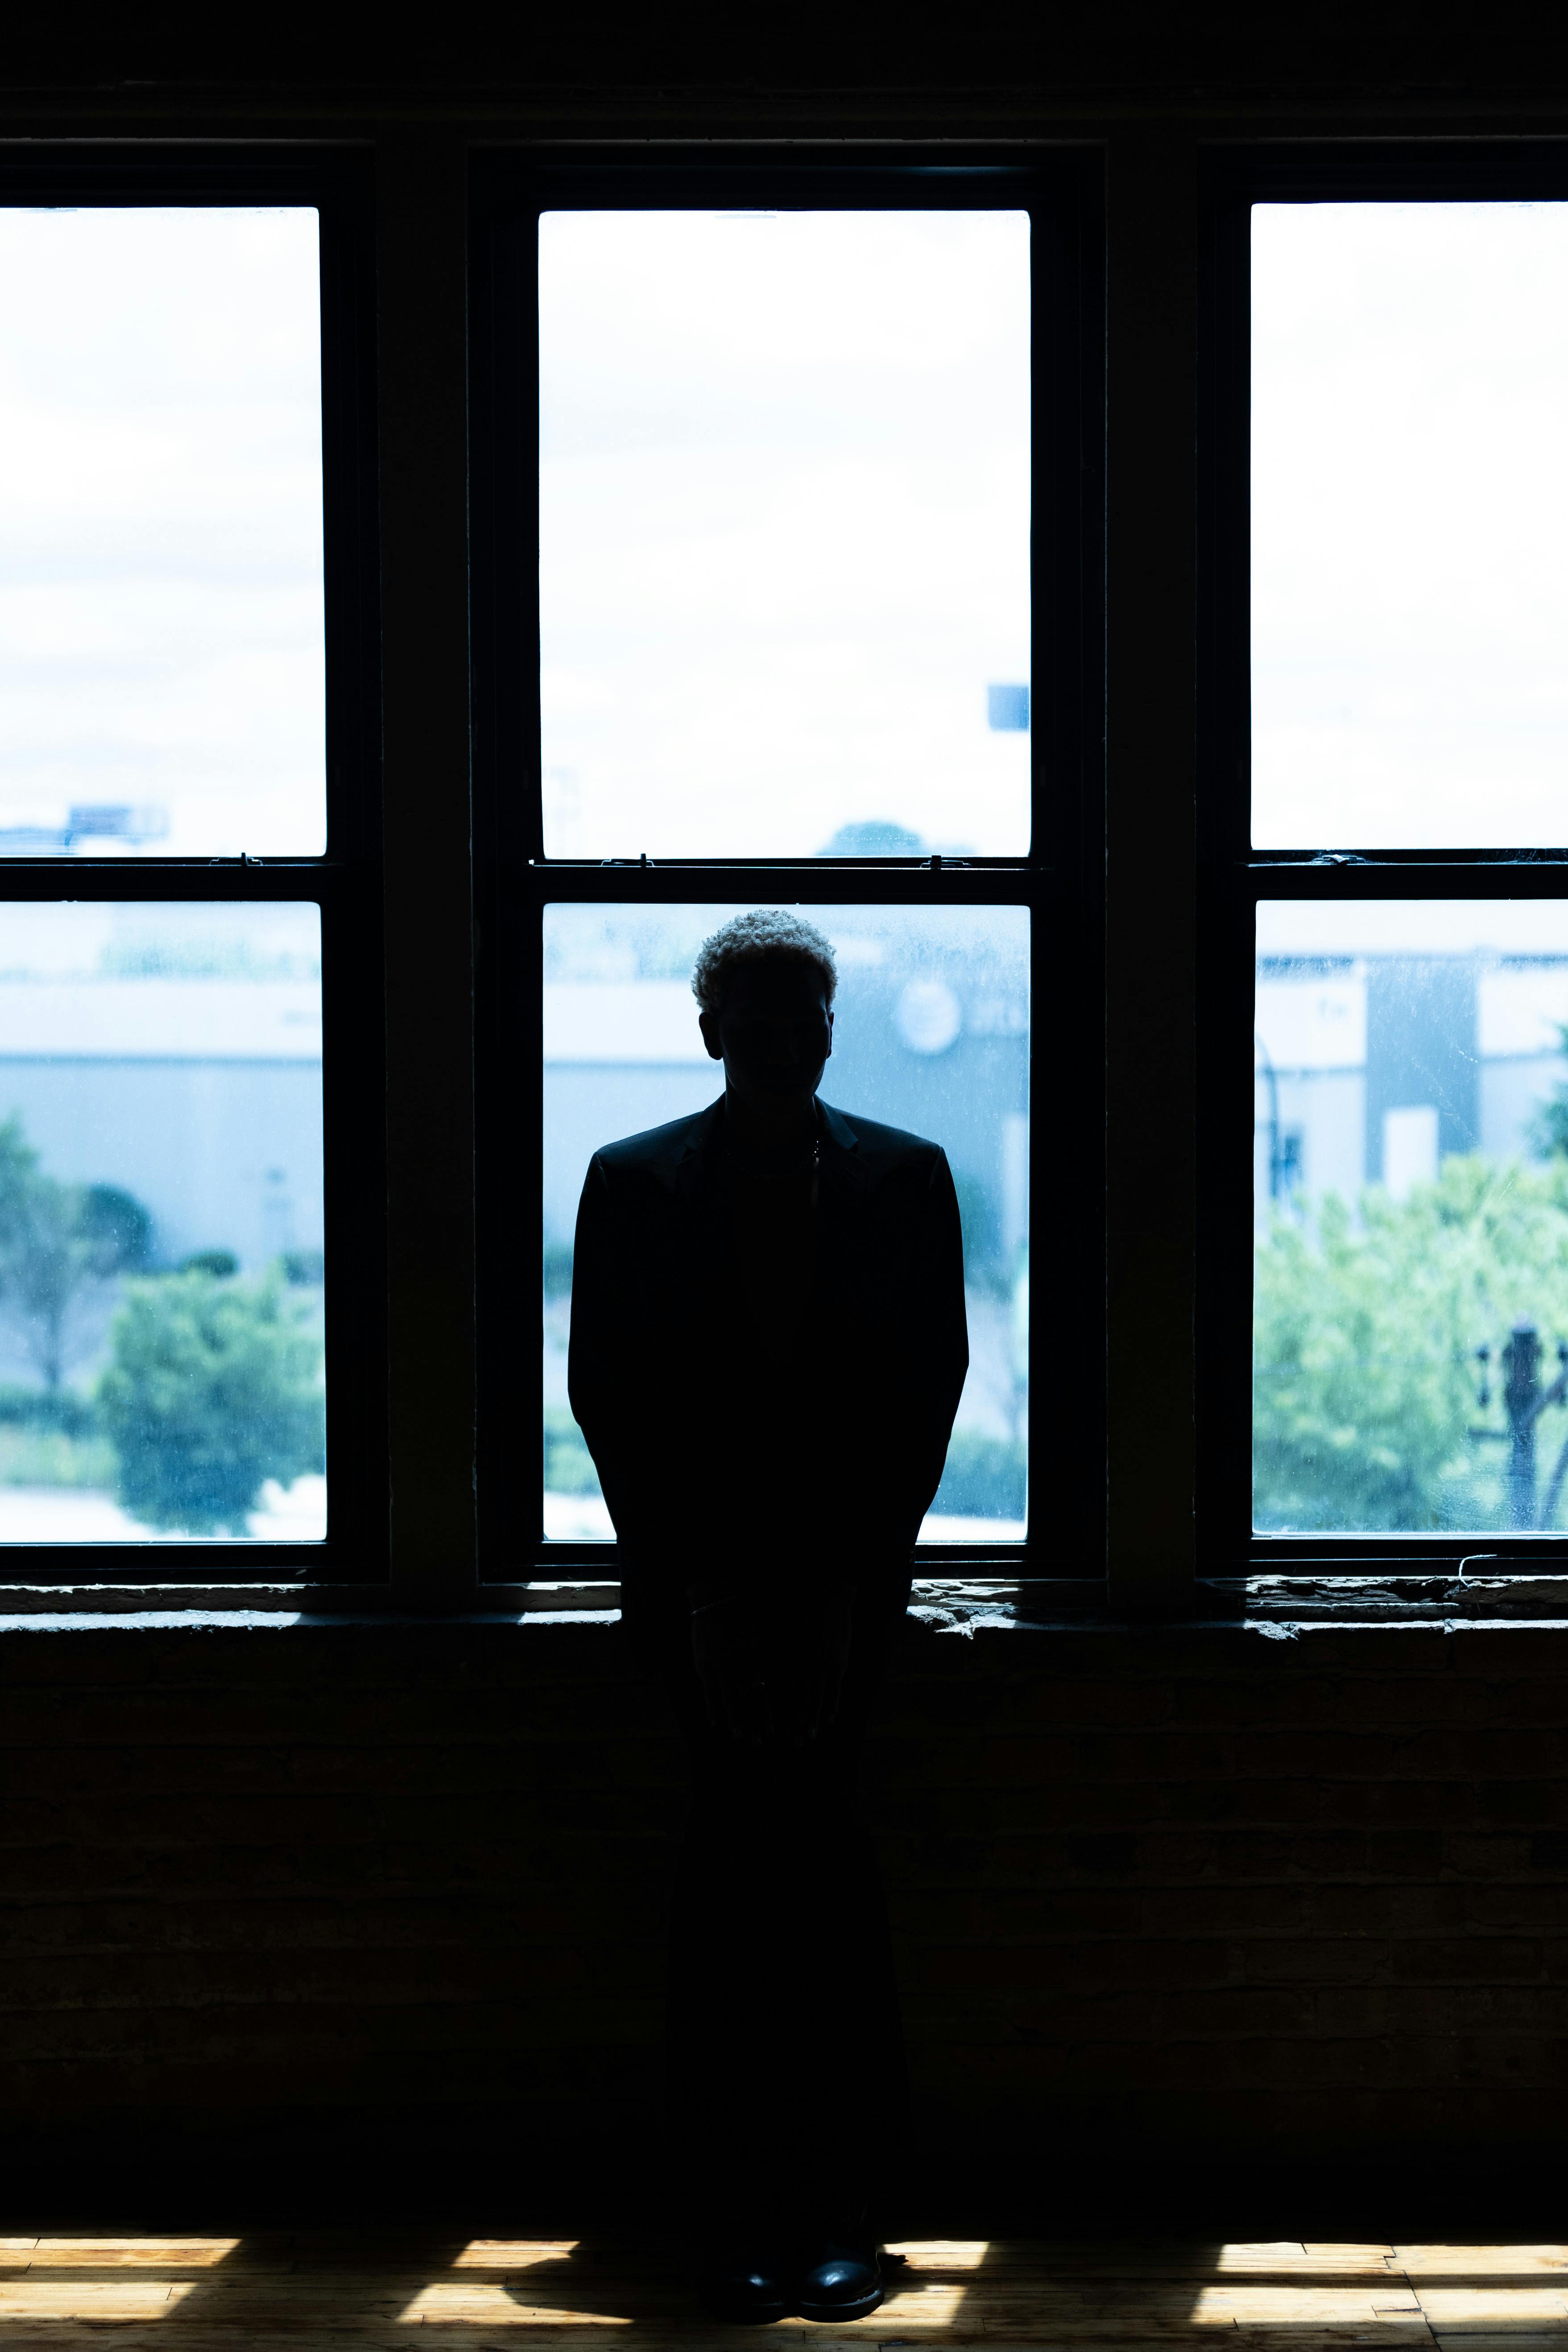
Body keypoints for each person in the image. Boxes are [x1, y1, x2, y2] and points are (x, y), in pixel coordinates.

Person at [568, 909, 968, 2324]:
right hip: (714, 1600)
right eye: (764, 1019)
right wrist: (716, 1595)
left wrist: (838, 1592)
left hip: (818, 1597)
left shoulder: (905, 1181)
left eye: (801, 1020)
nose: (786, 1041)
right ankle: (781, 2210)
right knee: (771, 1878)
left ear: (822, 1033)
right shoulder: (631, 1185)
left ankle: (793, 2210)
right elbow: (611, 1406)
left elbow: (925, 1399)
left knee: (779, 1877)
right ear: (714, 1033)